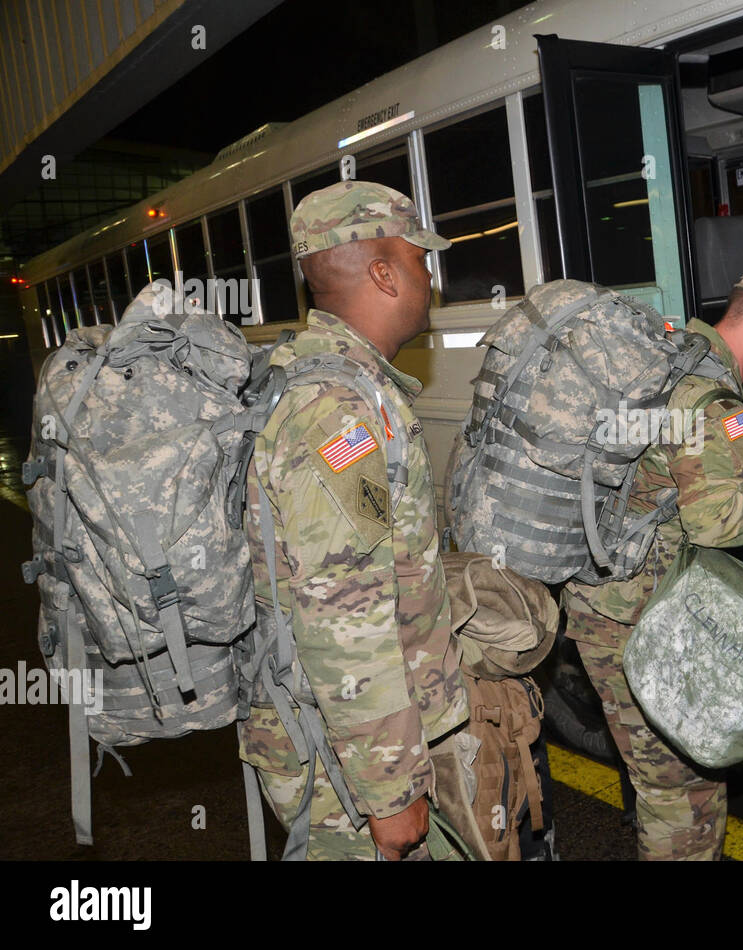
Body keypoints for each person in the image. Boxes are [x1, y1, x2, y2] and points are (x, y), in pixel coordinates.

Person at [562, 260, 743, 860]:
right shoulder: (711, 398)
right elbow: (719, 524)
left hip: (607, 602)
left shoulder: (674, 350)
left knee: (671, 786)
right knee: (681, 797)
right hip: (630, 619)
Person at [237, 180, 469, 861]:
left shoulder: (340, 382)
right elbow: (343, 608)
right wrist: (391, 789)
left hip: (342, 735)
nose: (429, 274)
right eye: (418, 258)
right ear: (381, 273)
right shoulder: (335, 407)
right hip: (339, 755)